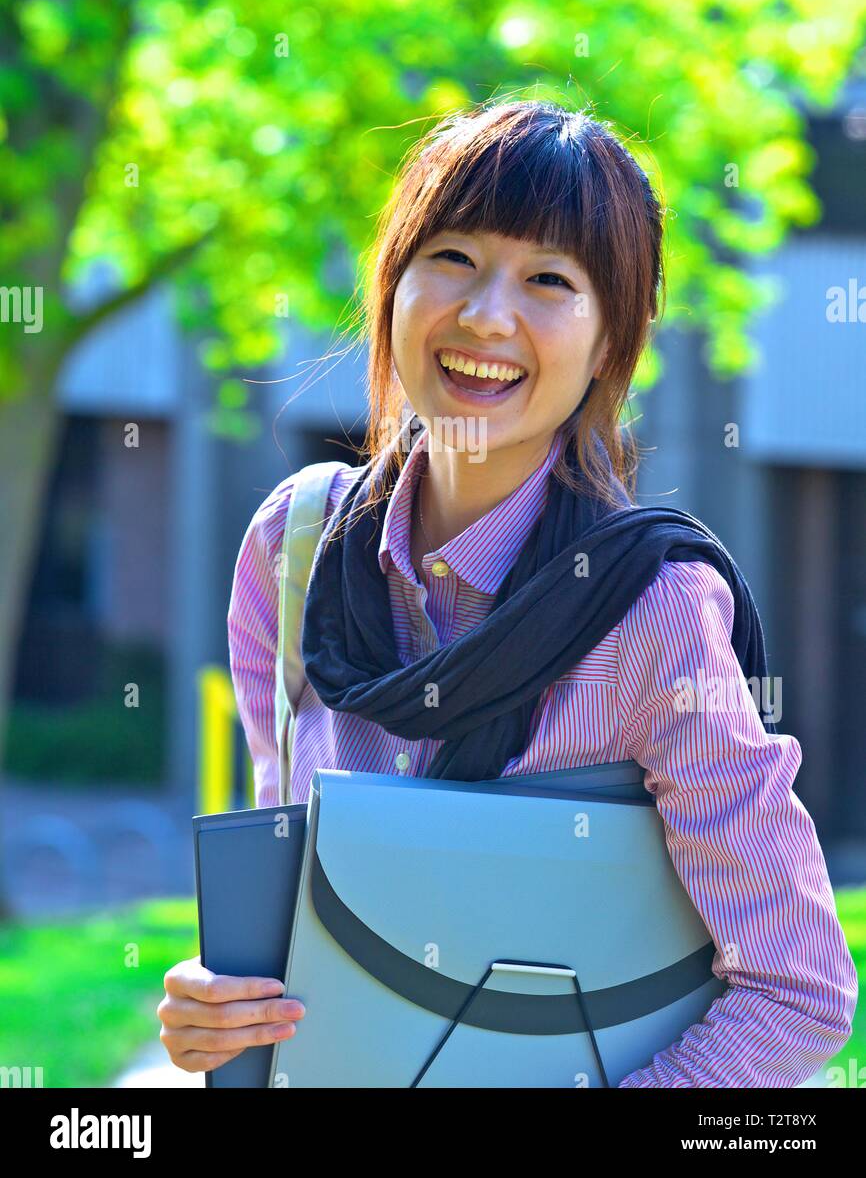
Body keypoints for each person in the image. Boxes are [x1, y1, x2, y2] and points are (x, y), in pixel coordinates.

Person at [158, 98, 856, 1084]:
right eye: (452, 257)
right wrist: (213, 1009)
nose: (486, 314)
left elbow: (798, 990)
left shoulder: (646, 611)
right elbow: (298, 921)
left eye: (547, 280)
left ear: (611, 341)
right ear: (391, 281)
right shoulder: (294, 546)